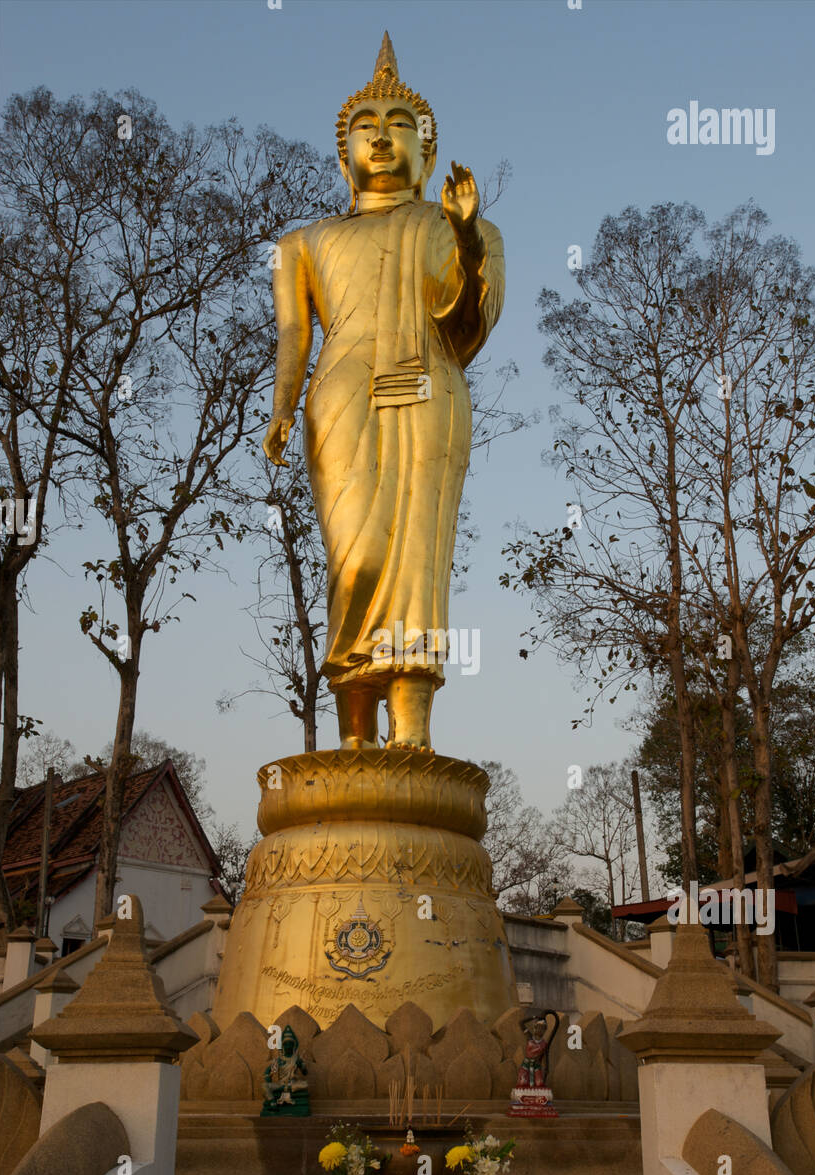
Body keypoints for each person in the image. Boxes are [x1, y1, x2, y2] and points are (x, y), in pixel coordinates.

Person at [263, 33, 505, 752]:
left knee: (417, 560)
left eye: (400, 126)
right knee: (355, 559)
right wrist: (281, 406)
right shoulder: (305, 242)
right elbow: (293, 336)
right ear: (343, 155)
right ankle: (353, 740)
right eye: (366, 127)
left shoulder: (463, 225)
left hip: (428, 392)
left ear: (426, 154)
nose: (380, 136)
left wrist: (463, 239)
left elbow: (467, 329)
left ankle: (413, 736)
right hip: (341, 401)